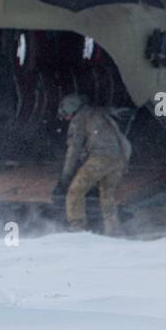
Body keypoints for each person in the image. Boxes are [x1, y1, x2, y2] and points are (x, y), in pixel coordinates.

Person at [56, 93, 131, 234]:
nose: (67, 118)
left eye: (66, 114)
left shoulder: (79, 120)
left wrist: (65, 175)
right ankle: (113, 229)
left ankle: (77, 227)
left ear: (72, 108)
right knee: (107, 194)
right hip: (119, 158)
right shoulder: (99, 112)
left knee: (75, 190)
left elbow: (73, 150)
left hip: (100, 158)